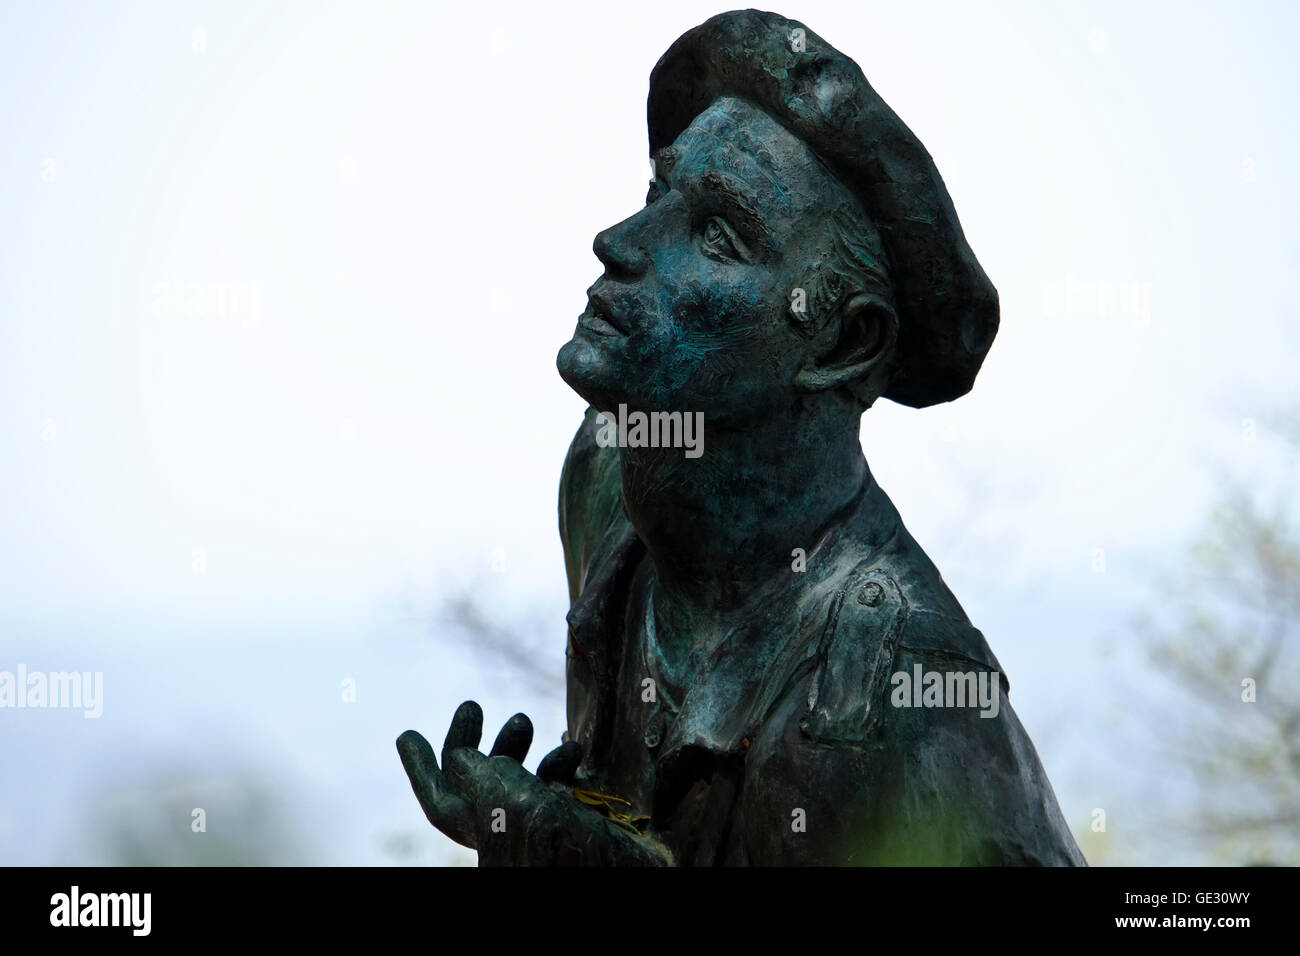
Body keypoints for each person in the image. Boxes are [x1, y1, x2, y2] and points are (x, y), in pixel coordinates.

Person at [399, 9, 1085, 866]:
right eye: (657, 197)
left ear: (842, 343)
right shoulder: (609, 479)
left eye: (716, 234)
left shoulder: (899, 708)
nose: (615, 243)